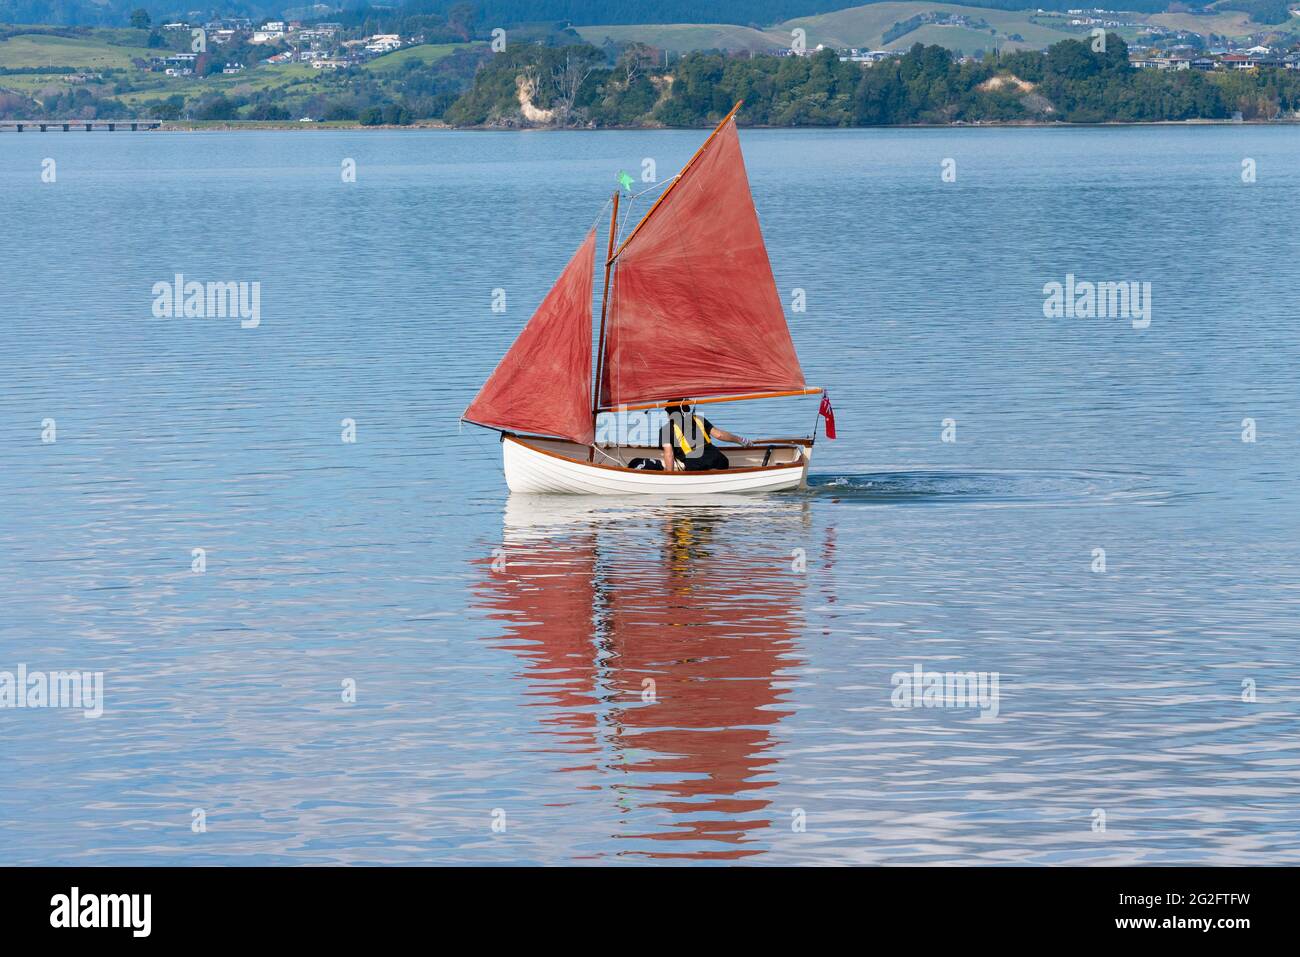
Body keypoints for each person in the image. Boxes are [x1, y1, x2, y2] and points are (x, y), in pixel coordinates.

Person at [660, 402, 750, 472]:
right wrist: (741, 440)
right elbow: (719, 435)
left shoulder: (665, 430)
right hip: (718, 458)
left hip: (695, 464)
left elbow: (669, 454)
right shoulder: (698, 419)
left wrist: (669, 474)